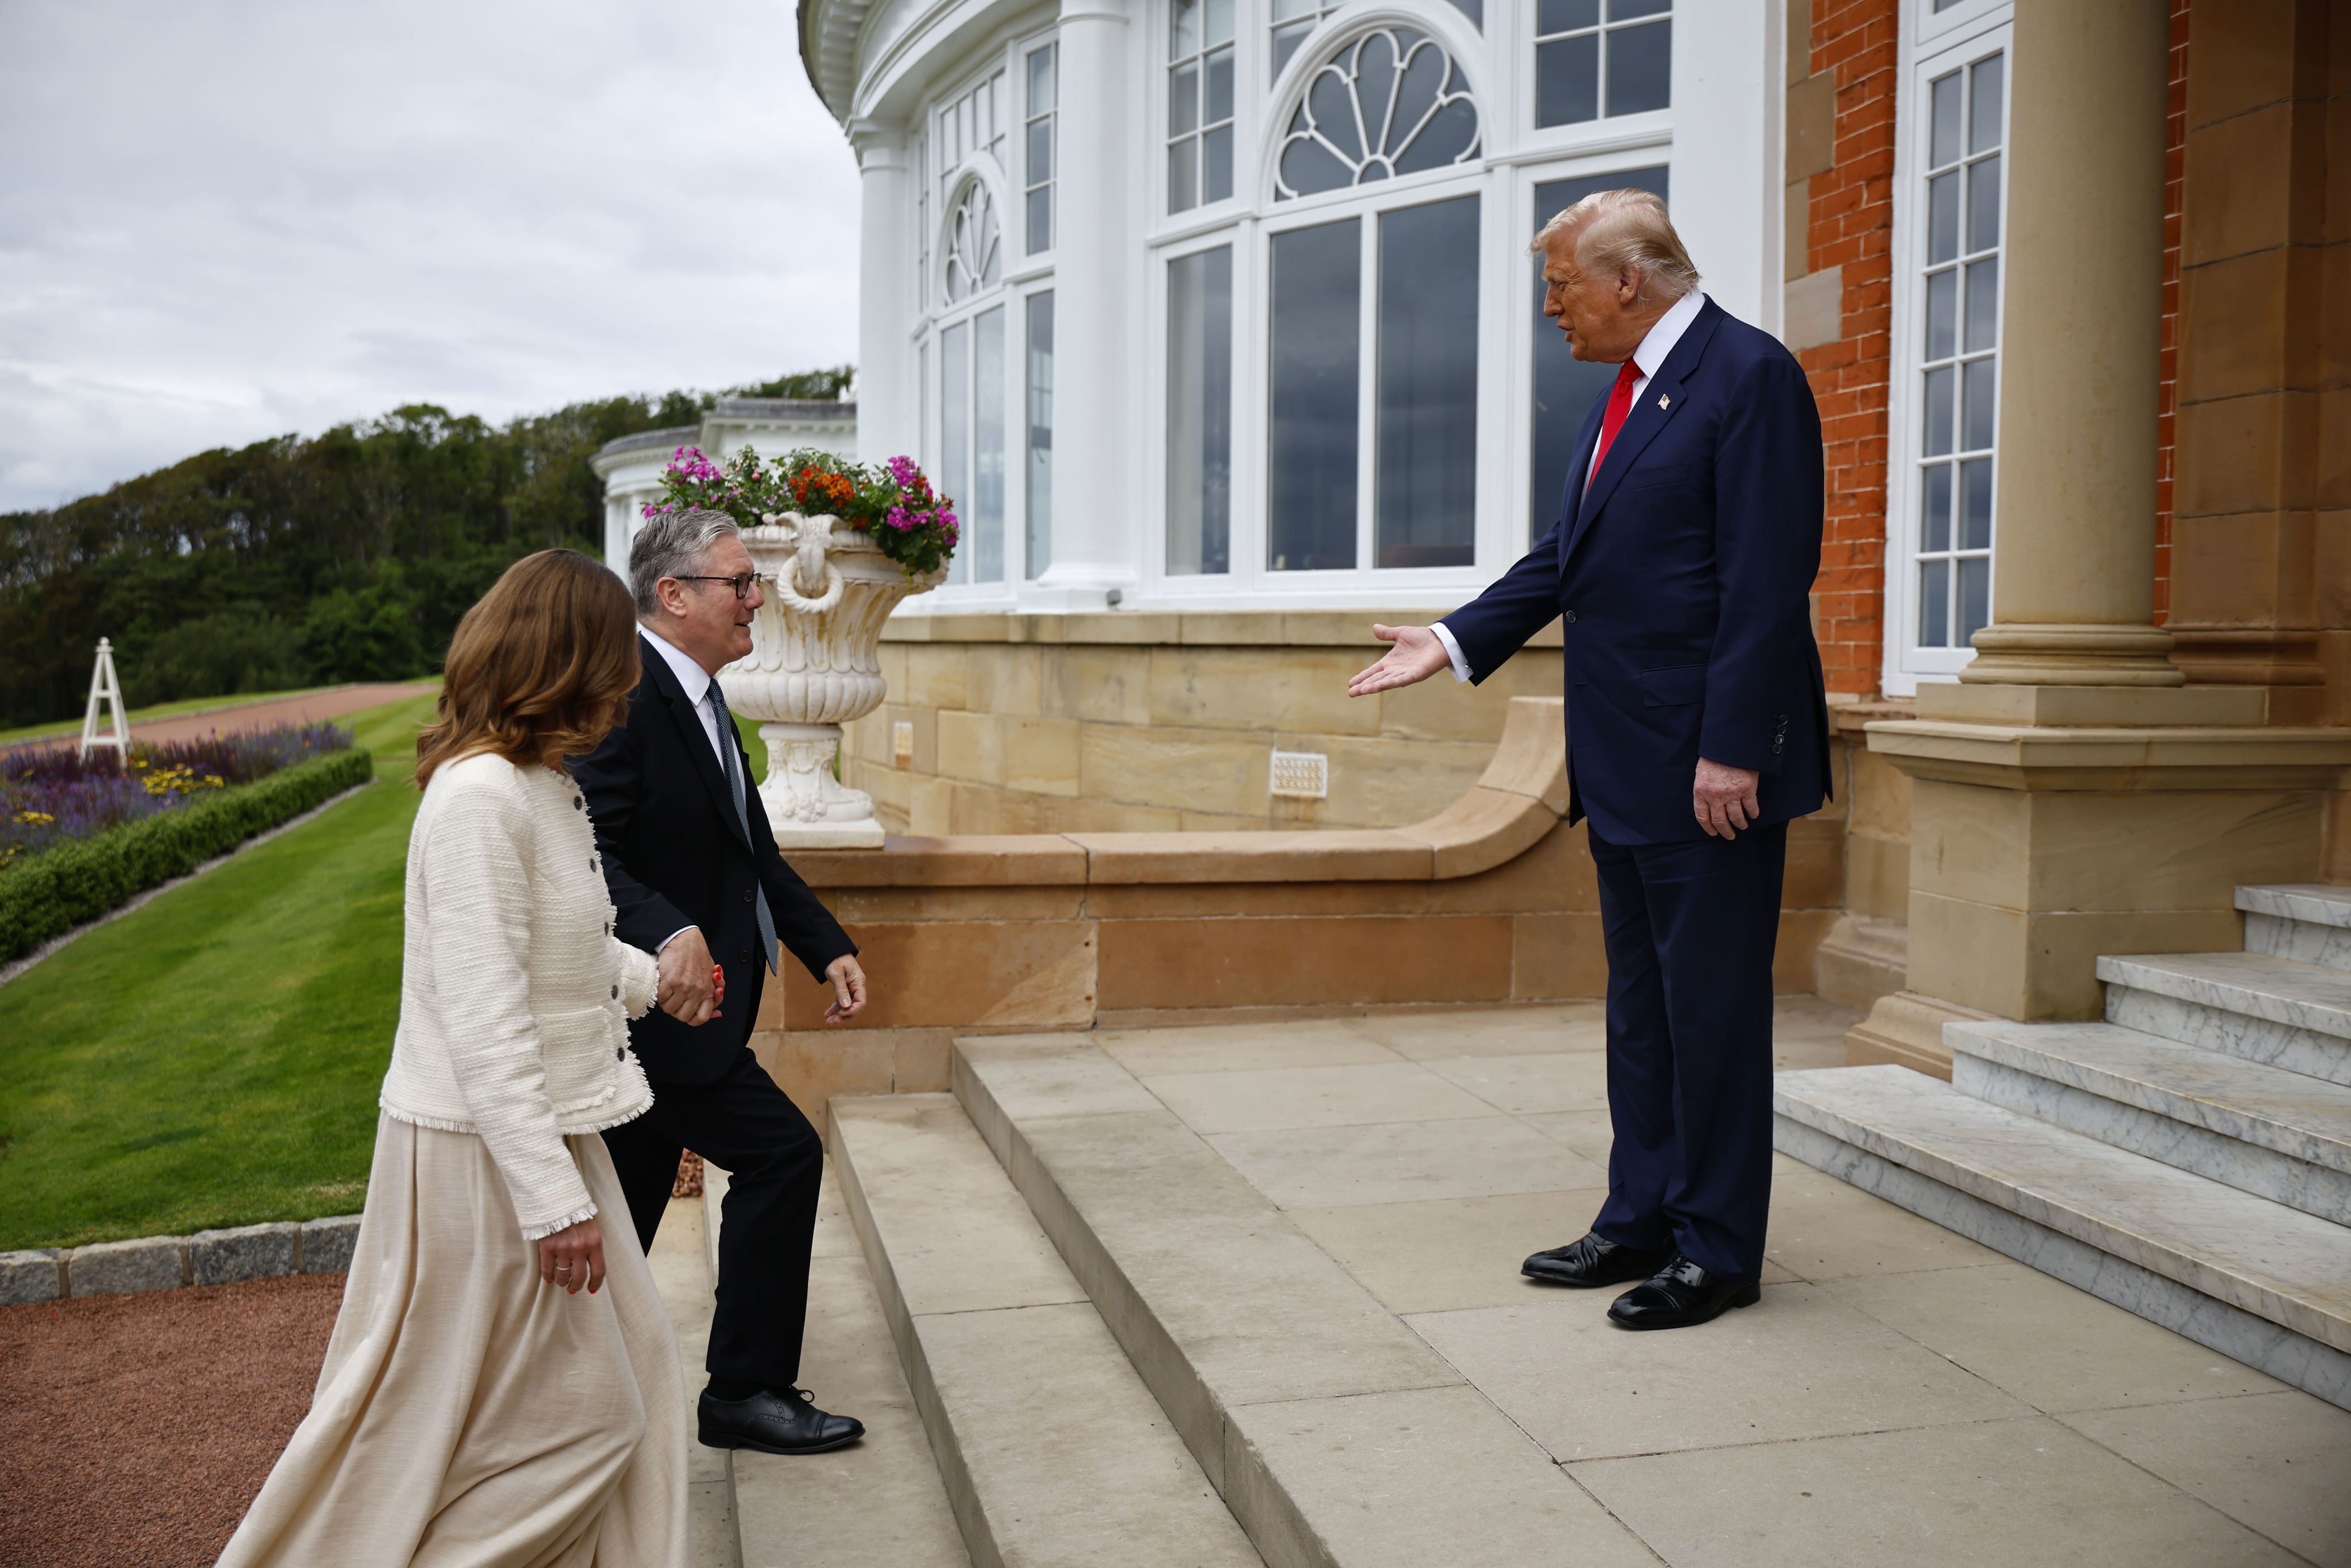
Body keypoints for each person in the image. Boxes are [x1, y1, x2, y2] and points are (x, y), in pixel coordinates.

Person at [1349, 190, 1829, 1332]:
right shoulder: (1622, 394)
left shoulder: (1749, 375)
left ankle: (1717, 1249)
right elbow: (1575, 554)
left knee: (1708, 1012)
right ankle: (1643, 1216)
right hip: (1623, 754)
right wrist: (1457, 636)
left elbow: (1768, 579)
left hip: (1707, 768)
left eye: (1560, 283)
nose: (1551, 307)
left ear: (1628, 278)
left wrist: (1730, 750)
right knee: (1643, 1007)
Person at [221, 548, 688, 1565]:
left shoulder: (532, 783)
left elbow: (547, 942)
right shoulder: (485, 798)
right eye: (613, 659)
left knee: (604, 1382)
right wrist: (550, 1199)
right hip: (488, 1152)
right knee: (585, 1416)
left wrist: (651, 979)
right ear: (565, 660)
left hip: (538, 1134)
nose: (627, 684)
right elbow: (482, 1015)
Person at [572, 506, 871, 1455]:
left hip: (689, 1026)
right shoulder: (623, 699)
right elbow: (586, 854)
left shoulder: (703, 697)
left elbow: (752, 848)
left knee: (621, 1223)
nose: (757, 598)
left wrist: (822, 939)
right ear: (672, 595)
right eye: (739, 582)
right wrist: (675, 931)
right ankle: (742, 1390)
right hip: (659, 1019)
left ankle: (567, 1400)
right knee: (783, 1156)